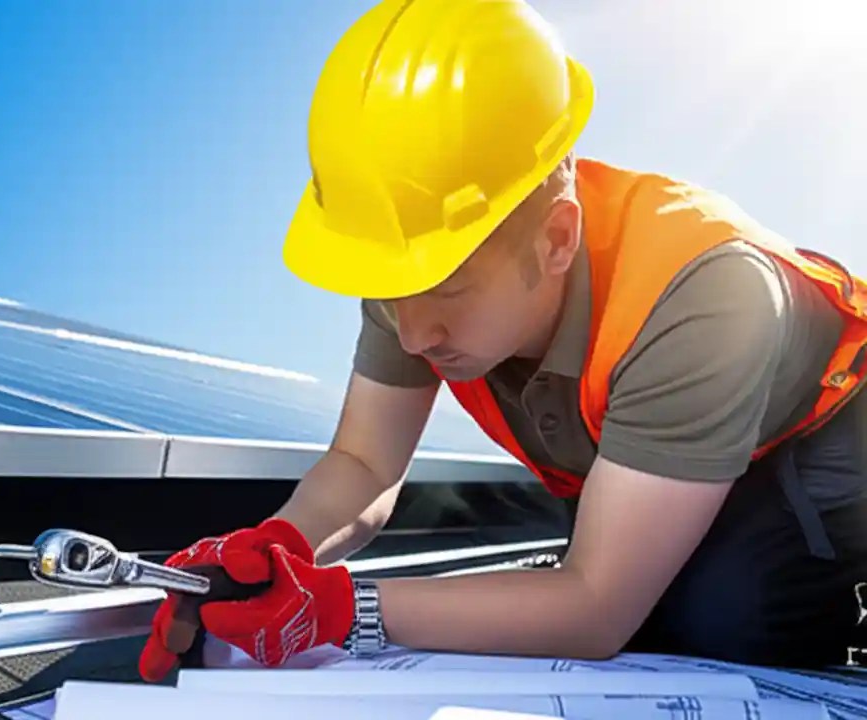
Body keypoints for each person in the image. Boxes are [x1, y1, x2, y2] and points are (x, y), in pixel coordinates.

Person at [138, 0, 867, 681]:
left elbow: (595, 608)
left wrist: (340, 608)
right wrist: (278, 548)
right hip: (659, 448)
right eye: (391, 294)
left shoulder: (703, 296)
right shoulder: (409, 261)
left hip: (815, 446)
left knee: (720, 617)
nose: (413, 335)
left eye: (447, 289)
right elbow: (364, 462)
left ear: (557, 239)